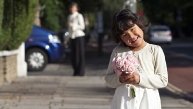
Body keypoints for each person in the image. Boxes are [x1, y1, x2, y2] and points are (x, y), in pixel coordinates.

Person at [105, 9, 168, 109]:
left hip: (148, 101)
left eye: (132, 29)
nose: (131, 36)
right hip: (123, 100)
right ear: (120, 38)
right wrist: (120, 79)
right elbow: (108, 78)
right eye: (125, 35)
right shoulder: (118, 51)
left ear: (140, 24)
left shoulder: (155, 50)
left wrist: (139, 78)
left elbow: (163, 80)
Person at [67, 2, 85, 76]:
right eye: (71, 8)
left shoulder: (79, 16)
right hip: (72, 37)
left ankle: (80, 71)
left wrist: (73, 25)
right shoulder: (69, 17)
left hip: (79, 36)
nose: (72, 9)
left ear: (76, 8)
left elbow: (82, 26)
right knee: (73, 55)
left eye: (74, 8)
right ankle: (75, 71)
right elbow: (69, 29)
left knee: (79, 54)